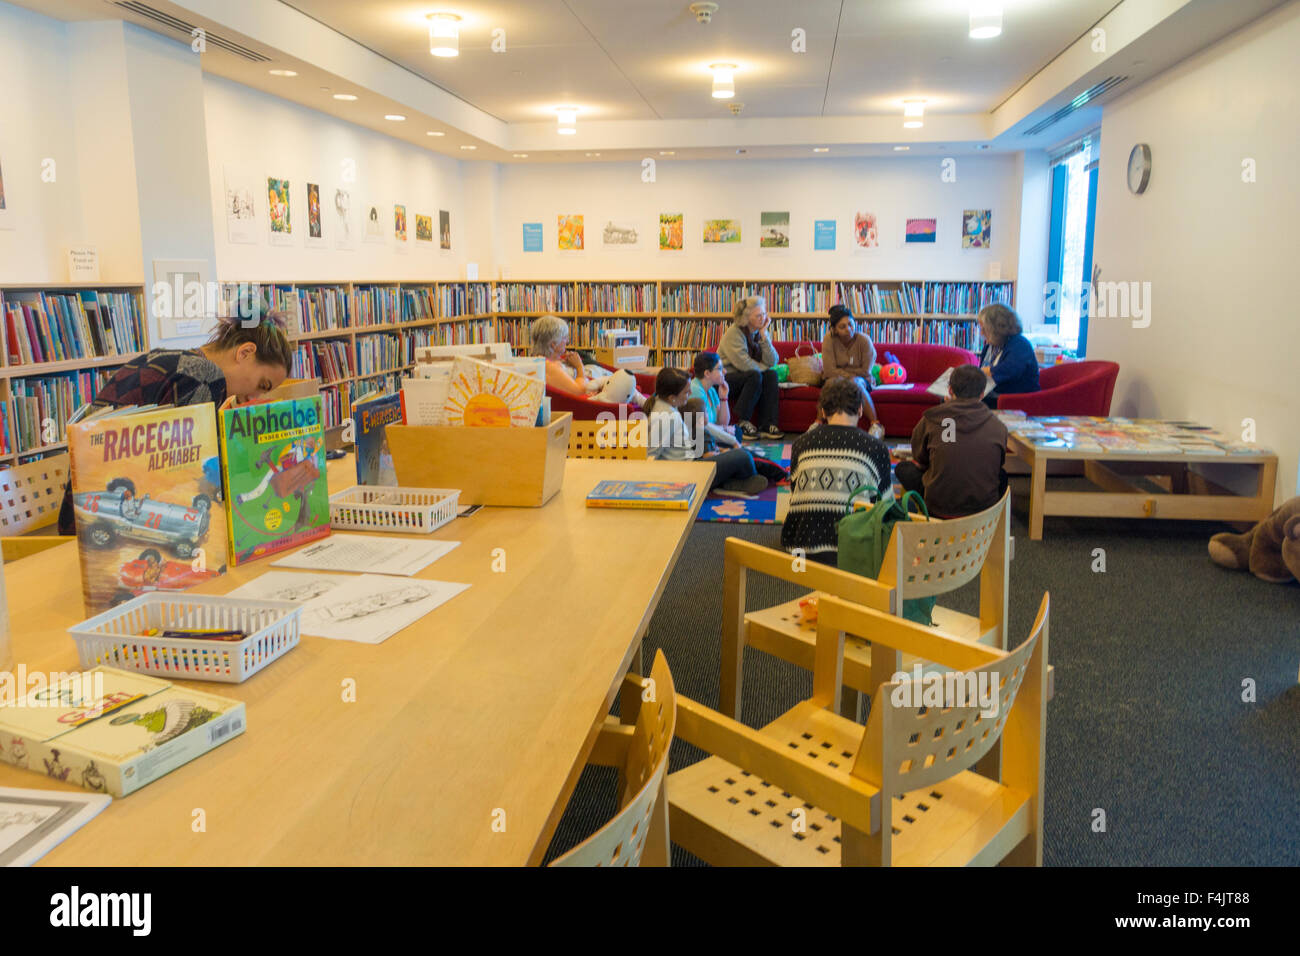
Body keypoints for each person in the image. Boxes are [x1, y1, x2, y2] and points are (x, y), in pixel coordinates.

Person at [57, 305, 294, 534]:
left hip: (86, 512)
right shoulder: (207, 377)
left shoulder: (176, 358)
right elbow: (192, 474)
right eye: (262, 385)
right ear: (245, 353)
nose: (254, 397)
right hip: (108, 525)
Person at [781, 377, 893, 565]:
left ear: (823, 412)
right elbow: (885, 505)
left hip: (801, 547)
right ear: (860, 410)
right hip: (855, 549)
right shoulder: (876, 448)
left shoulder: (801, 443)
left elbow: (795, 490)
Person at [896, 365, 1009, 517]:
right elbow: (999, 462)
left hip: (938, 508)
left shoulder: (932, 419)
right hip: (983, 511)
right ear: (982, 394)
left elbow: (919, 457)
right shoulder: (998, 426)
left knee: (903, 468)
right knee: (1001, 475)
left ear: (949, 390)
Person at [644, 368, 767, 494]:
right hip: (688, 473)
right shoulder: (665, 417)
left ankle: (732, 481)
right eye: (686, 392)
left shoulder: (664, 405)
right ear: (672, 397)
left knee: (734, 450)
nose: (691, 392)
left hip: (691, 462)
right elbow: (651, 455)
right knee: (742, 455)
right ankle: (739, 480)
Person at [529, 314, 639, 404]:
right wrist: (579, 367)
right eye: (564, 338)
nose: (567, 341)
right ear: (553, 344)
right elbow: (580, 391)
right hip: (587, 404)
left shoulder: (545, 361)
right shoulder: (548, 366)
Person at [717, 295, 784, 441]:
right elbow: (744, 364)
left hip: (747, 377)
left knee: (771, 374)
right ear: (747, 318)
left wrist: (764, 336)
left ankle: (768, 424)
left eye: (764, 314)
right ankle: (742, 422)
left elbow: (773, 361)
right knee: (755, 375)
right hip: (726, 378)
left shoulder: (758, 333)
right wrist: (765, 368)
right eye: (758, 315)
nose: (763, 318)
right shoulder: (734, 333)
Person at [821, 305, 881, 427]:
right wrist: (848, 375)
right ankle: (818, 424)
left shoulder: (864, 341)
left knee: (855, 382)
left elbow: (865, 371)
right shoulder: (829, 339)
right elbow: (829, 371)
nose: (848, 329)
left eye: (851, 324)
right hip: (836, 379)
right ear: (834, 329)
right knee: (830, 383)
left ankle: (876, 424)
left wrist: (842, 372)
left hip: (862, 380)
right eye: (842, 327)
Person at [977, 303, 1039, 409]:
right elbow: (982, 374)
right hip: (992, 396)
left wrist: (984, 372)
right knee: (950, 398)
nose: (981, 333)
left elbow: (1008, 371)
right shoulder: (990, 347)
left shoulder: (1020, 344)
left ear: (996, 328)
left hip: (1014, 399)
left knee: (960, 405)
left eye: (984, 328)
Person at [689, 351, 740, 449]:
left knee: (736, 431)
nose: (724, 371)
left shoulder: (711, 390)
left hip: (711, 434)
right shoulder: (695, 390)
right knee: (733, 434)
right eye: (720, 369)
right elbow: (702, 426)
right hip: (699, 439)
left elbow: (723, 422)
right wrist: (724, 429)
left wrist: (724, 398)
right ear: (707, 373)